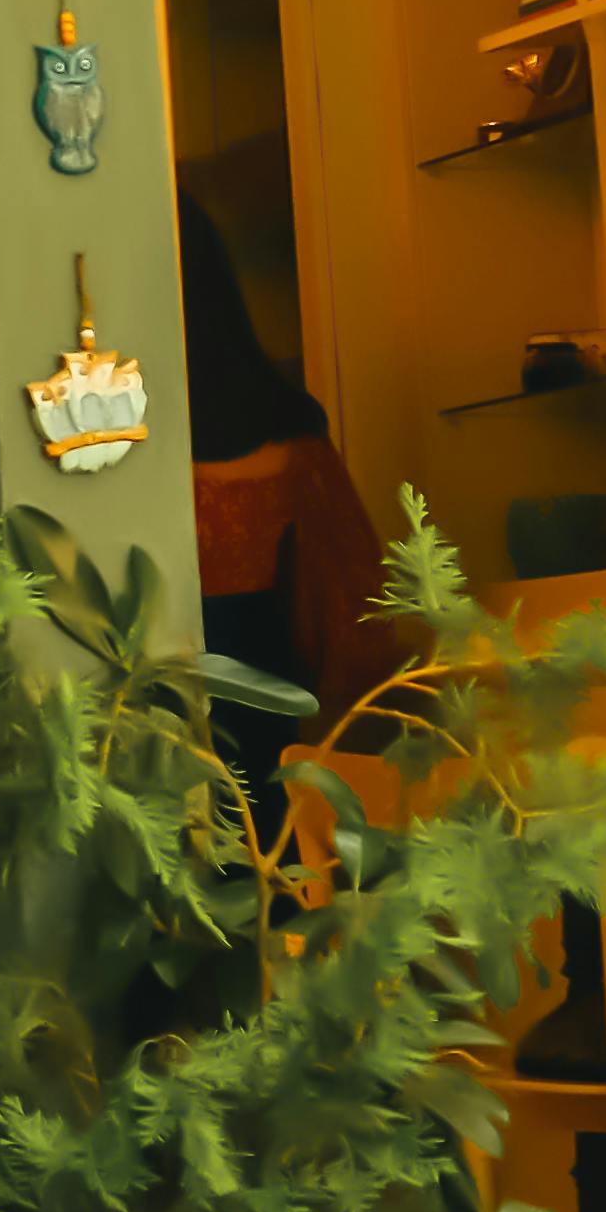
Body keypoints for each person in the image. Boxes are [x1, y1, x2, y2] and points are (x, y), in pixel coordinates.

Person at [178, 194, 390, 780]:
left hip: (155, 760)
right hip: (274, 763)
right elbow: (356, 627)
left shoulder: (106, 441)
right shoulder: (288, 436)